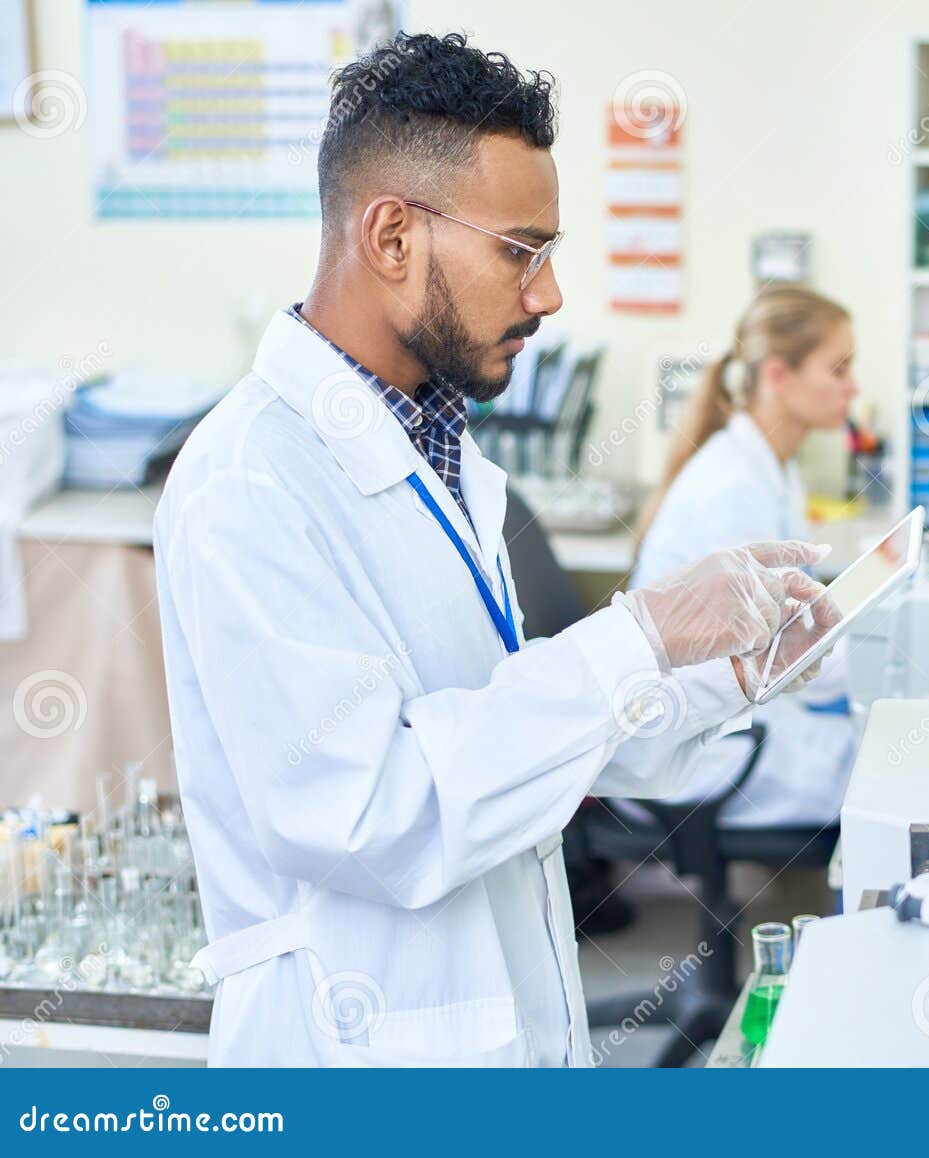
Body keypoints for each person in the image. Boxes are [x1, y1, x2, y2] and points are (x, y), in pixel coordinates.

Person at [152, 32, 832, 1067]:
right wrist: (636, 637)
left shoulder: (441, 456)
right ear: (391, 238)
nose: (549, 295)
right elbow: (368, 811)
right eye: (522, 251)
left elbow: (514, 738)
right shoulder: (248, 481)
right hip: (355, 1049)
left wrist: (721, 676)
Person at [631, 287, 860, 828]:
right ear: (779, 376)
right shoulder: (732, 488)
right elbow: (788, 651)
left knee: (872, 745)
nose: (853, 388)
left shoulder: (774, 468)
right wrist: (887, 662)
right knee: (875, 777)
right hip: (705, 747)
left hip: (741, 713)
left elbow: (793, 628)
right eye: (838, 369)